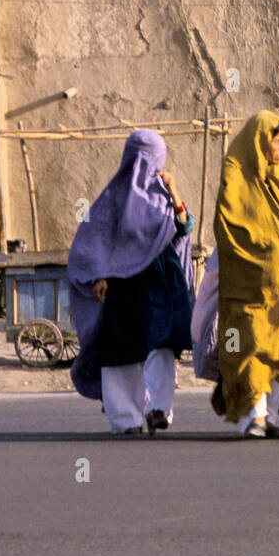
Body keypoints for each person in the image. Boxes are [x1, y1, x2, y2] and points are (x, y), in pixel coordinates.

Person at [67, 129, 194, 437]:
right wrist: (100, 274)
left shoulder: (165, 194)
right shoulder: (113, 198)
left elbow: (184, 226)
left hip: (159, 282)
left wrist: (175, 193)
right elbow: (94, 238)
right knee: (122, 350)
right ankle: (126, 419)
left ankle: (157, 409)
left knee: (162, 345)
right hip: (125, 285)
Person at [211, 111, 279, 439]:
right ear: (261, 142)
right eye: (278, 142)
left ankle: (261, 415)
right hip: (247, 282)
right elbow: (229, 226)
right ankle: (252, 417)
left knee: (278, 346)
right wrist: (266, 247)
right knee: (249, 343)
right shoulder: (237, 175)